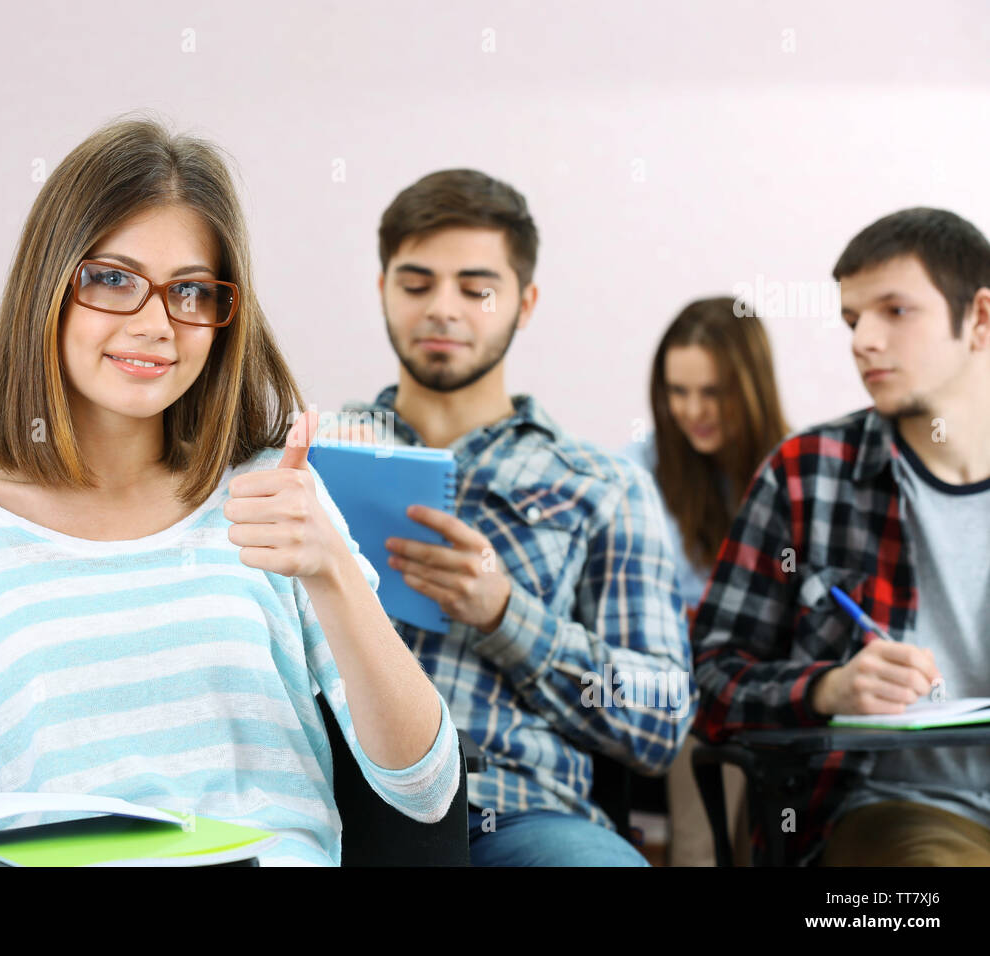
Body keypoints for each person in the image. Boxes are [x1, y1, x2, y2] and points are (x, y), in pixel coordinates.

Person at [0, 117, 460, 866]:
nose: (157, 323)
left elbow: (425, 792)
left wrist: (332, 574)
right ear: (50, 287)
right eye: (113, 279)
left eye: (191, 291)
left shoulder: (272, 493)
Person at [339, 168, 693, 866]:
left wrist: (507, 616)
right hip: (336, 804)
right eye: (416, 284)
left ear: (525, 303)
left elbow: (662, 719)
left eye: (477, 289)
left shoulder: (602, 484)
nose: (443, 309)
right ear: (382, 289)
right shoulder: (307, 457)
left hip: (515, 817)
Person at [693, 207, 990, 866]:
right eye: (854, 320)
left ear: (980, 320)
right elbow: (708, 681)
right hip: (897, 811)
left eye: (894, 311)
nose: (863, 341)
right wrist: (827, 690)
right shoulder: (806, 473)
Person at [620, 296, 790, 865]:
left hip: (771, 682)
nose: (693, 410)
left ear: (751, 386)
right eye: (678, 392)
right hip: (682, 685)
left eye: (712, 392)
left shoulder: (794, 468)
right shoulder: (637, 472)